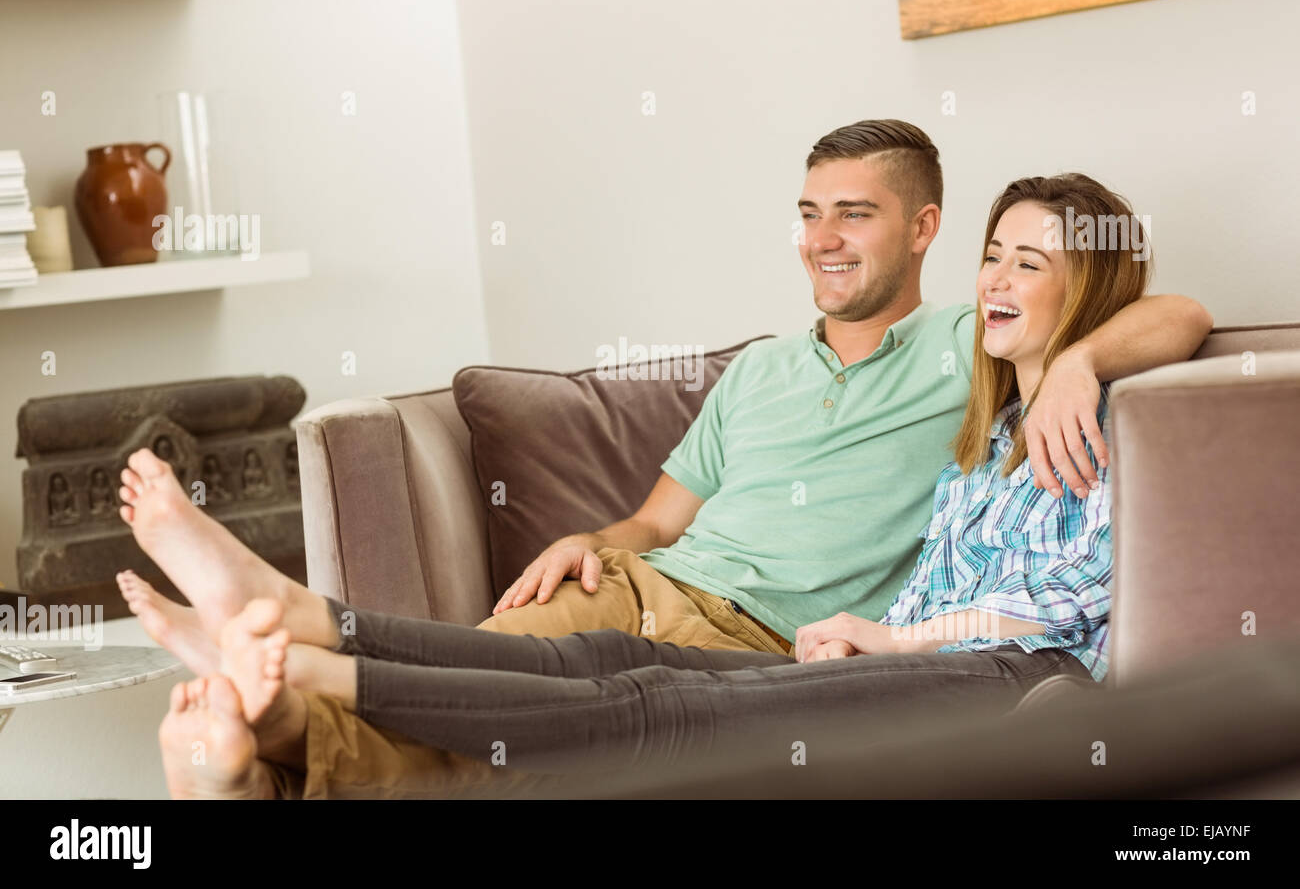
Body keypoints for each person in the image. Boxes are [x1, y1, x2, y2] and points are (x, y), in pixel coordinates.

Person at [118, 170, 1186, 798]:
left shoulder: (1100, 417)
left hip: (1013, 679)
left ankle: (306, 679)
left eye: (1030, 264)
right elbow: (668, 519)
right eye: (994, 256)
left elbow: (1063, 604)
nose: (996, 278)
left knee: (648, 706)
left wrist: (1083, 364)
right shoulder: (984, 430)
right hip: (865, 646)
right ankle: (301, 649)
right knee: (602, 663)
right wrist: (874, 634)